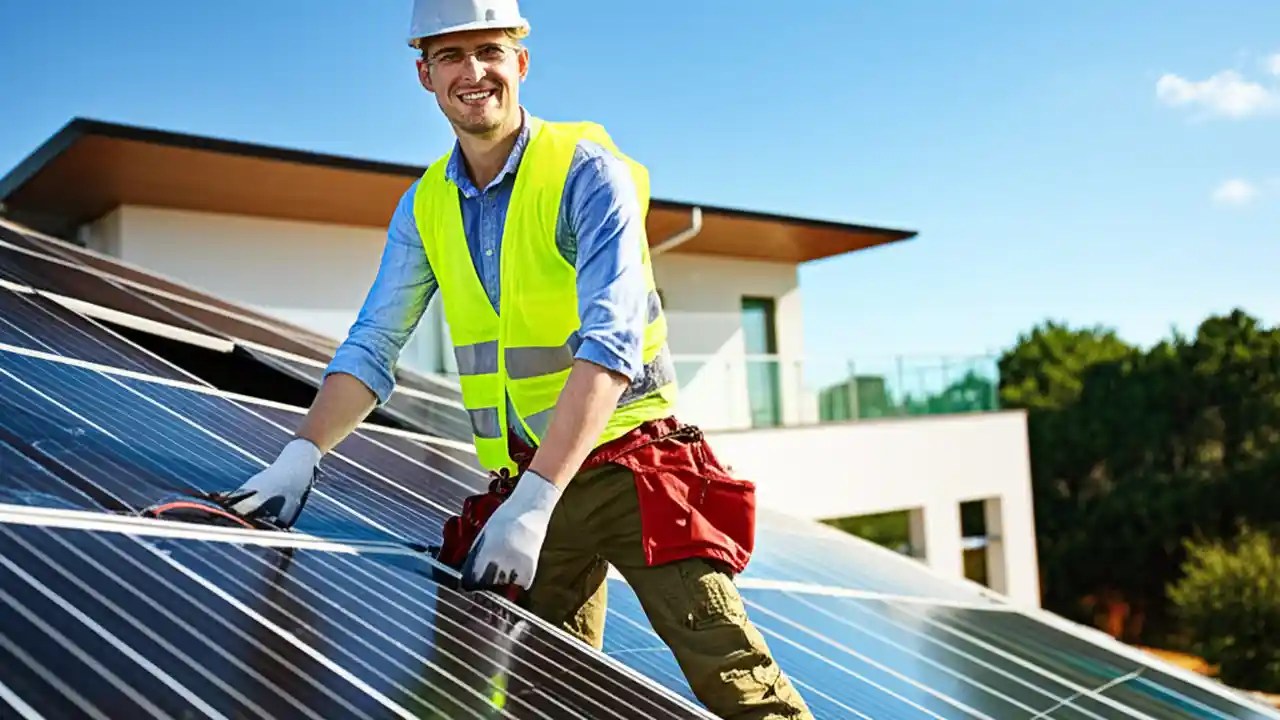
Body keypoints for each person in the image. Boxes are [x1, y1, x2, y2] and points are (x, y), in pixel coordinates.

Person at [226, 1, 812, 717]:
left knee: (737, 682)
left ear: (521, 63)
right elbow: (375, 341)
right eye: (450, 56)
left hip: (634, 471)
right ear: (424, 74)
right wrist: (304, 451)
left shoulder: (586, 172)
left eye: (489, 51)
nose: (473, 72)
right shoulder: (425, 207)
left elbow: (612, 343)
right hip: (529, 478)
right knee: (527, 689)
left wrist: (533, 500)